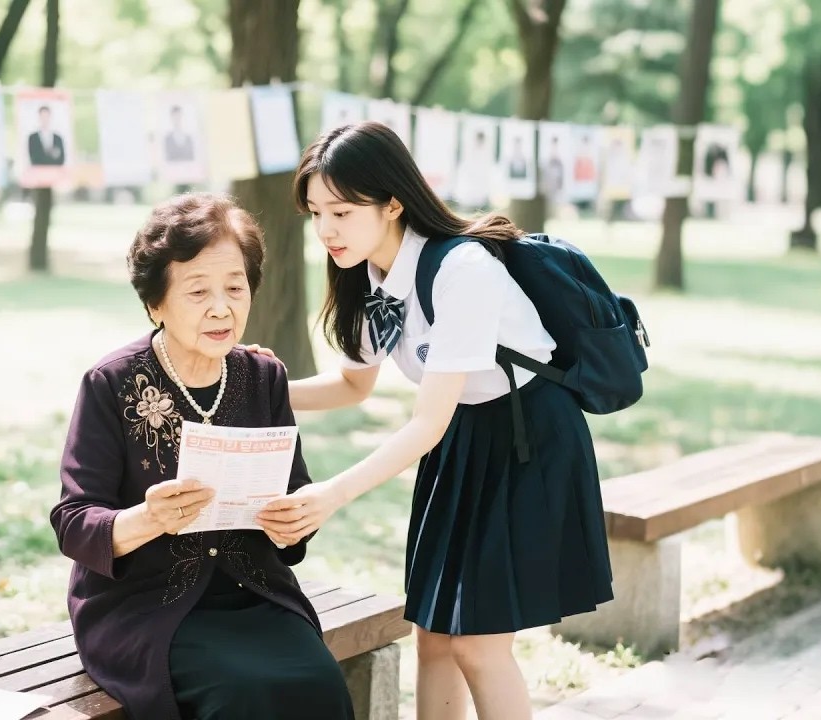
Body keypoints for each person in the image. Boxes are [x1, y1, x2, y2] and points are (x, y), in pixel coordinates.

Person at [256, 122, 613, 720]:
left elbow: (426, 423)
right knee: (434, 635)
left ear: (394, 202)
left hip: (527, 436)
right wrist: (256, 391)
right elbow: (352, 383)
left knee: (477, 643)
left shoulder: (461, 268)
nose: (325, 230)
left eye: (342, 212)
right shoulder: (366, 272)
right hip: (463, 436)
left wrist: (330, 496)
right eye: (316, 212)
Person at [50, 193, 356, 720]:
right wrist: (146, 519)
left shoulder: (264, 377)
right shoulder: (112, 383)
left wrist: (295, 521)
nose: (222, 307)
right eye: (197, 291)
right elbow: (74, 522)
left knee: (319, 681)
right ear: (155, 303)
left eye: (236, 288)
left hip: (254, 593)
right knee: (237, 694)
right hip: (146, 607)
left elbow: (296, 493)